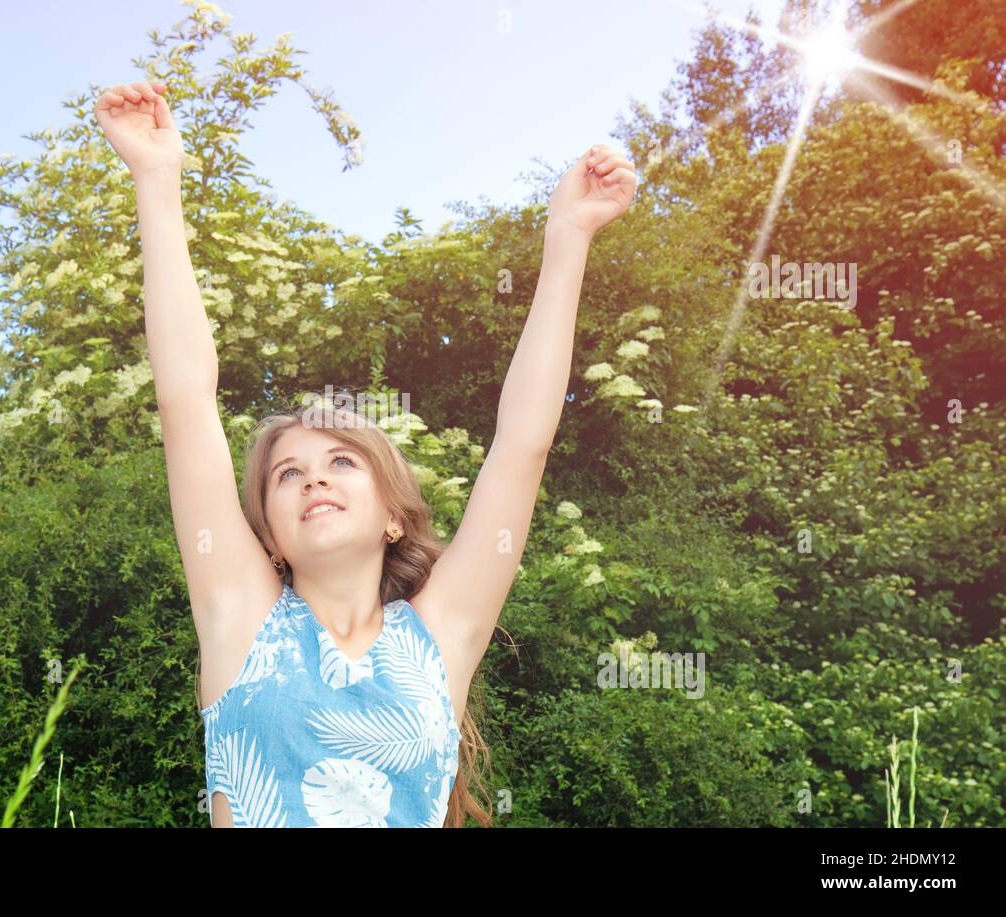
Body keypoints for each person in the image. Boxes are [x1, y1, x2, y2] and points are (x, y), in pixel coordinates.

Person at [95, 80, 638, 827]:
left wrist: (568, 237)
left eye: (342, 461)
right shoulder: (242, 619)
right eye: (288, 473)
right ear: (269, 537)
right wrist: (156, 180)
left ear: (392, 516)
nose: (313, 474)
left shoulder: (440, 638)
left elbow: (524, 443)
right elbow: (186, 404)